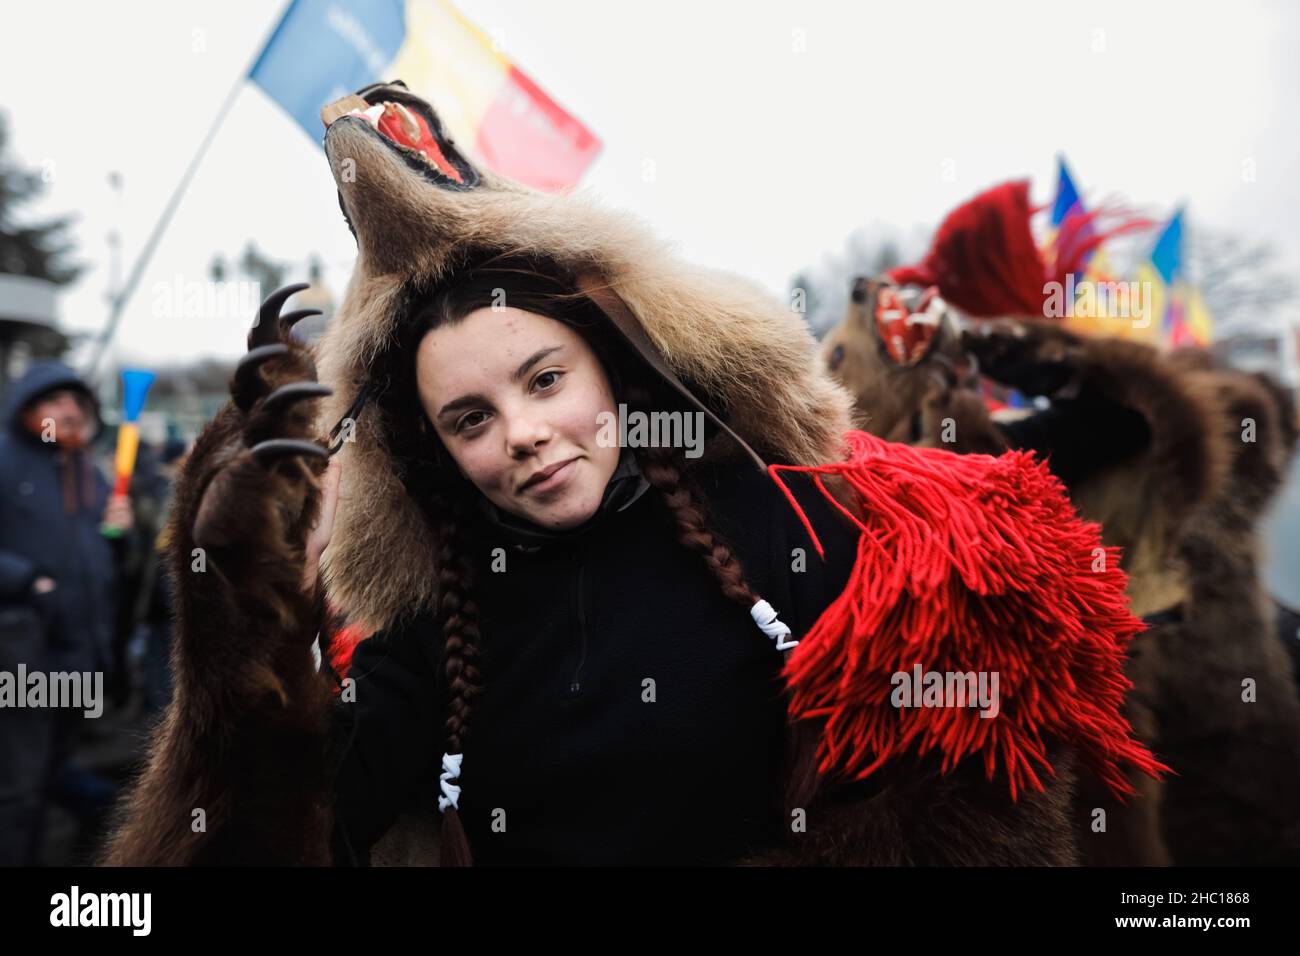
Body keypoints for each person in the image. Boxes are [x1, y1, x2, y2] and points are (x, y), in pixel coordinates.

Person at [102, 82, 1159, 868]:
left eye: (544, 377)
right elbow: (276, 836)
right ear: (434, 451)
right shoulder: (428, 637)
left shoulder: (786, 522)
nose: (521, 431)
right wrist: (235, 667)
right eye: (470, 416)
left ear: (614, 371)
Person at [0, 360, 133, 865]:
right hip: (22, 655)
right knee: (19, 787)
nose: (70, 411)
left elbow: (108, 560)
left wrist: (121, 534)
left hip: (78, 658)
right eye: (55, 402)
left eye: (77, 403)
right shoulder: (6, 460)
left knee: (51, 769)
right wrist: (27, 580)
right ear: (28, 408)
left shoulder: (86, 471)